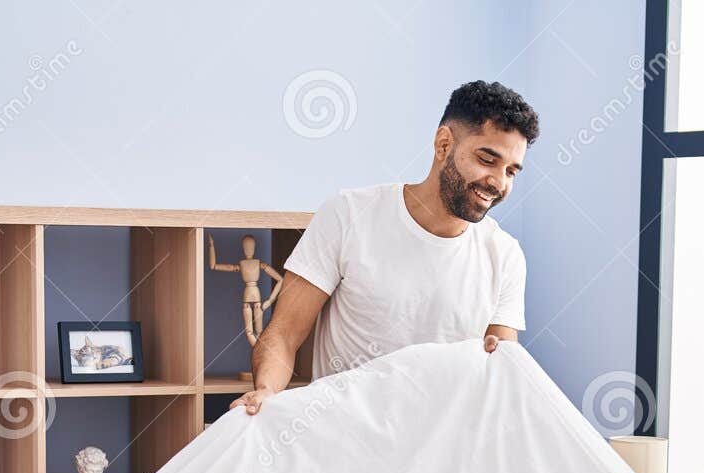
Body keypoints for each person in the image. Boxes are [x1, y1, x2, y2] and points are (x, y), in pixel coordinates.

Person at [231, 79, 539, 416]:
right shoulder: (349, 214)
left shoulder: (504, 255)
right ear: (444, 144)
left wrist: (497, 363)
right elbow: (284, 333)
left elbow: (503, 367)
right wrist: (265, 391)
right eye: (487, 159)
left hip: (442, 446)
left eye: (511, 171)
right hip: (343, 436)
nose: (499, 182)